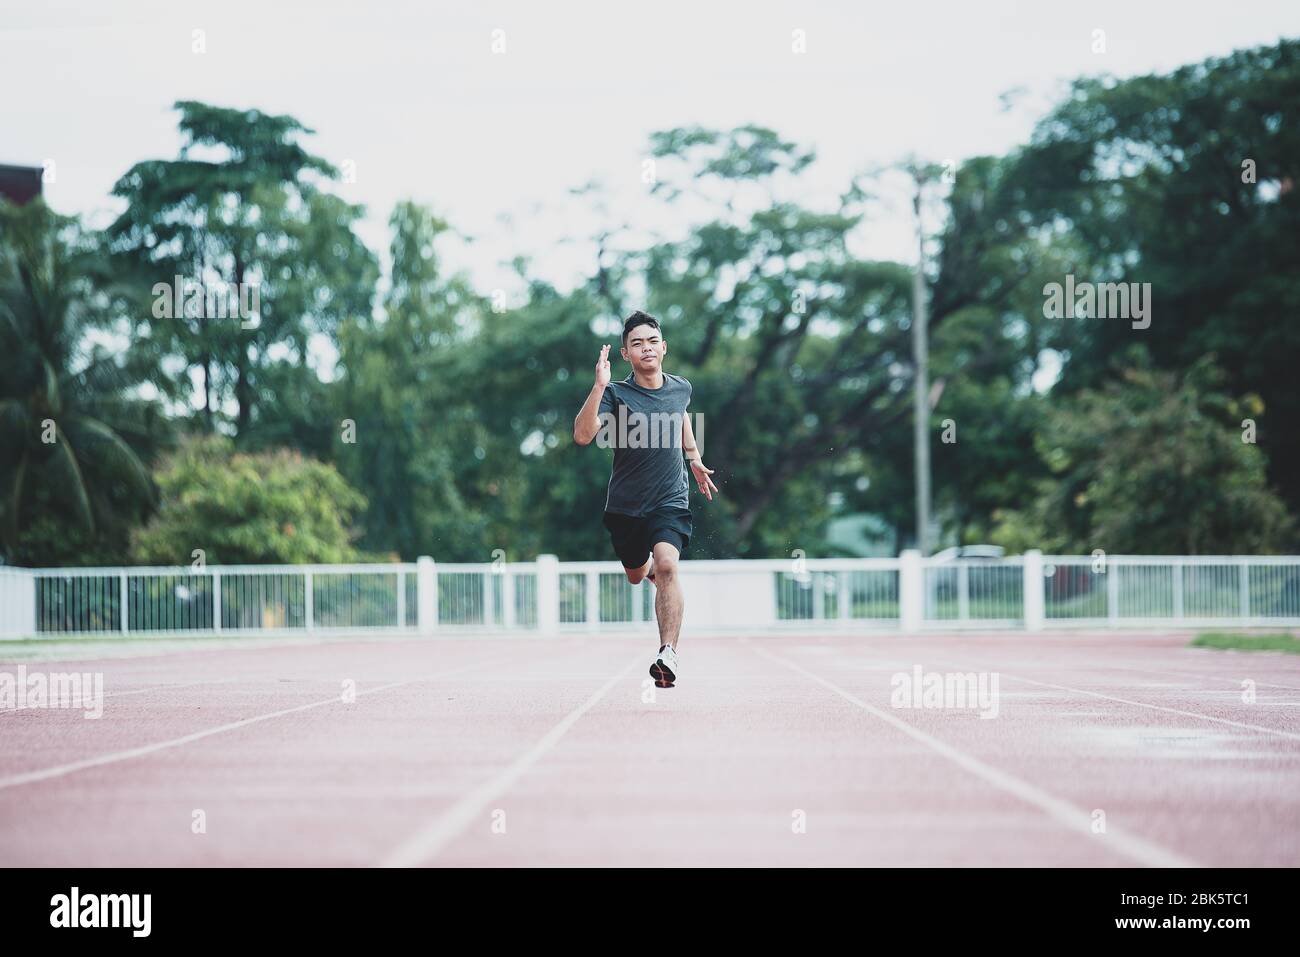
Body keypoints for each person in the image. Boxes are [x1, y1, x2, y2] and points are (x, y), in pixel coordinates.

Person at [572, 310, 718, 687]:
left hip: (670, 499)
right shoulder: (616, 394)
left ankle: (667, 653)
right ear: (626, 354)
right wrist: (599, 387)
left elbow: (681, 414)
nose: (646, 348)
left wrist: (695, 459)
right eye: (637, 343)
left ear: (664, 348)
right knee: (638, 575)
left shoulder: (680, 387)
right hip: (625, 507)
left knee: (668, 565)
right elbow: (583, 436)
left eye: (652, 342)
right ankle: (648, 569)